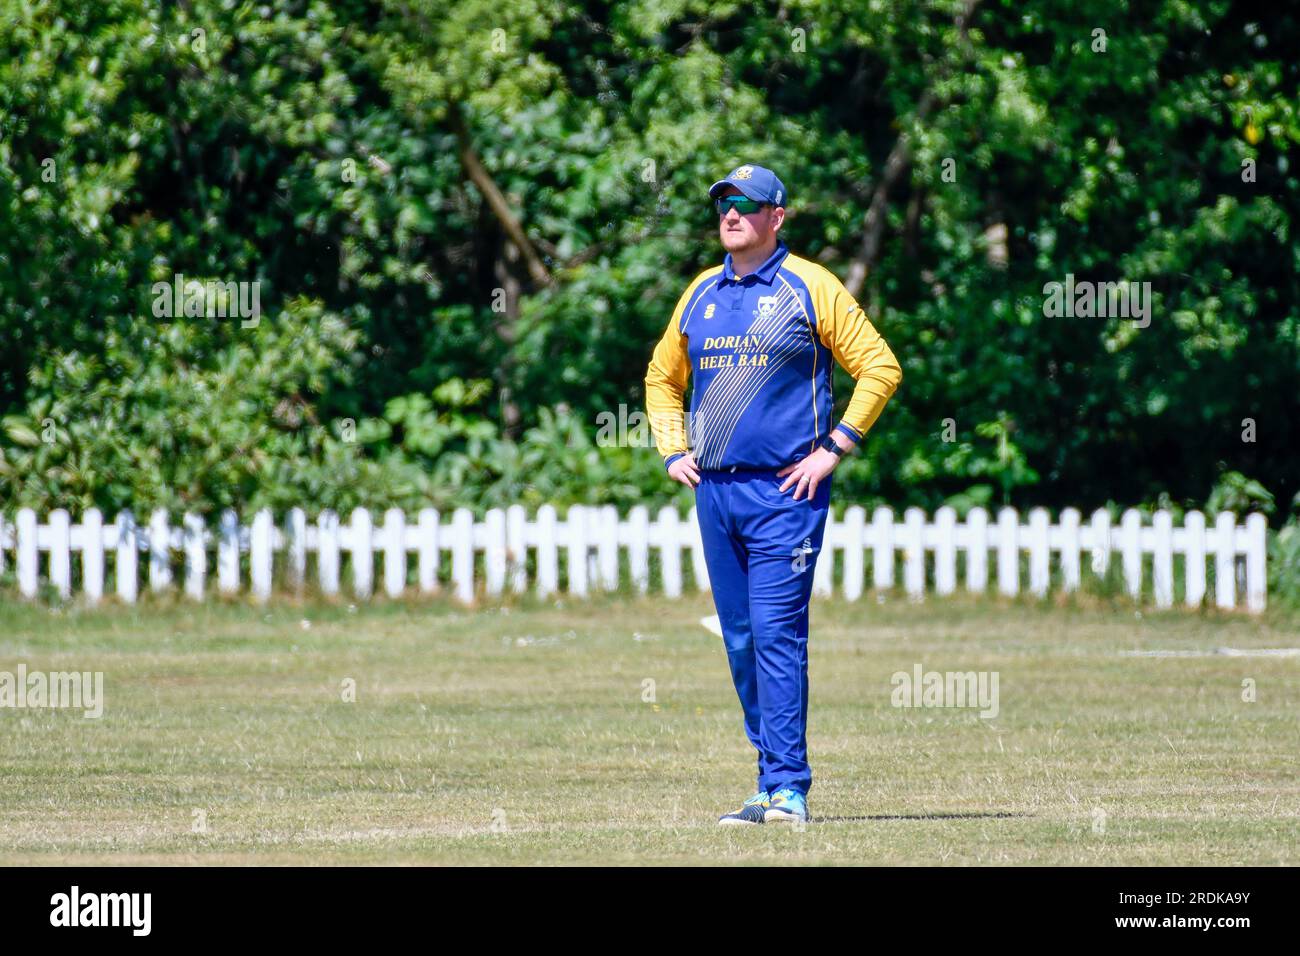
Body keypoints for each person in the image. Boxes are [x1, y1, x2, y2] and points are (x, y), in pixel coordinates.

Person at [644, 163, 902, 824]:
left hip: (786, 494)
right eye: (723, 203)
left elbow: (880, 366)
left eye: (747, 204)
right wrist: (672, 445)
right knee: (739, 639)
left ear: (777, 217)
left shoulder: (810, 286)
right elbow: (660, 376)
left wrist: (834, 448)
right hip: (716, 494)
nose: (731, 214)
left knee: (775, 633)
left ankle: (789, 786)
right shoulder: (701, 292)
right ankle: (767, 781)